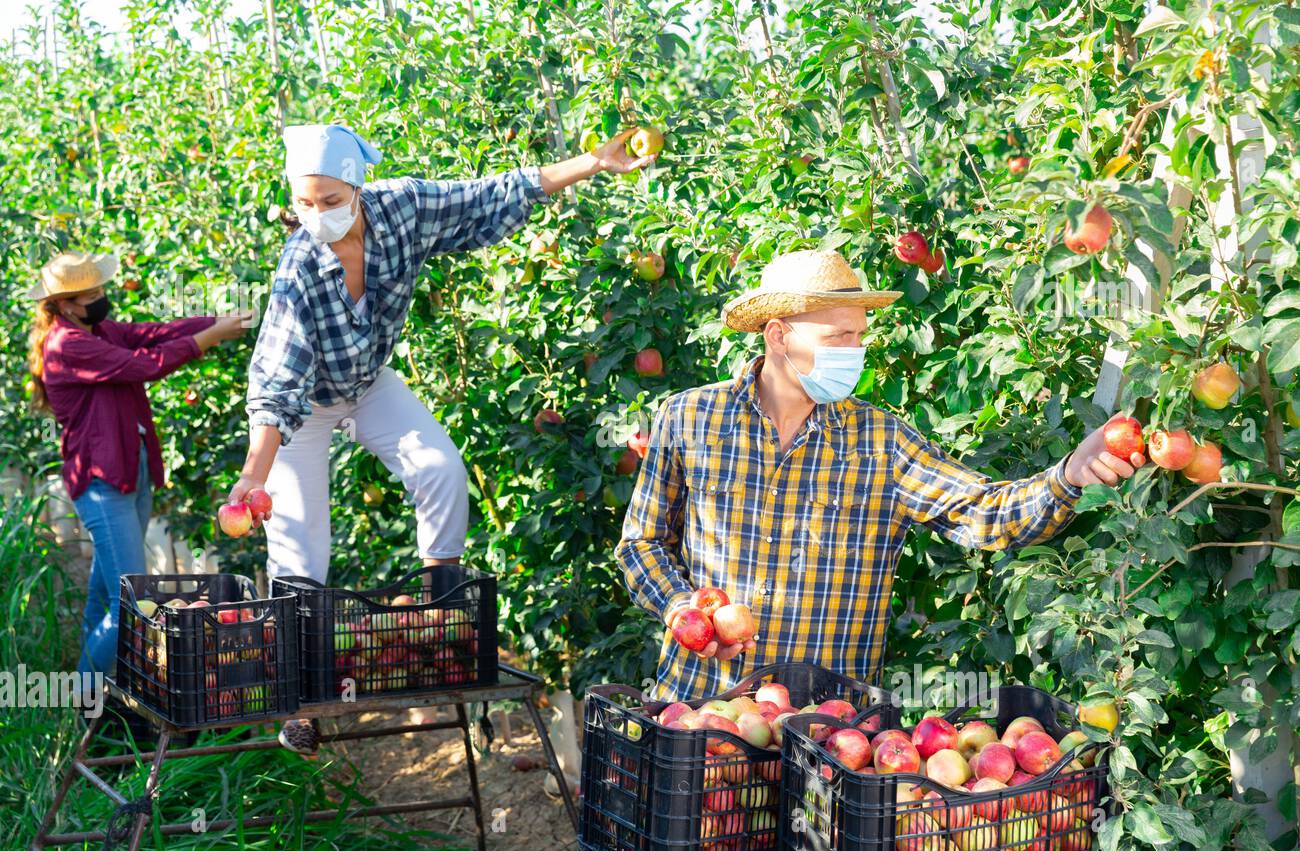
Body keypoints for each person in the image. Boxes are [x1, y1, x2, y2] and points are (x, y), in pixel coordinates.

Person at [233, 124, 656, 754]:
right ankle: (297, 699)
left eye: (328, 200)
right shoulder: (300, 269)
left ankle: (437, 618)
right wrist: (253, 475)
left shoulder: (402, 207)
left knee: (440, 468)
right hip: (306, 405)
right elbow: (279, 380)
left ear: (357, 187)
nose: (316, 214)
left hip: (370, 382)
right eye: (303, 203)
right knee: (298, 547)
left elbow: (494, 194)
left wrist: (591, 163)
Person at [615, 249, 1146, 702]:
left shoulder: (880, 442)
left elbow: (983, 514)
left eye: (860, 335)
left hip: (823, 727)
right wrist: (681, 607)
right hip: (700, 701)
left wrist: (1069, 474)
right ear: (778, 336)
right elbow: (642, 541)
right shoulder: (688, 418)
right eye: (839, 336)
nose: (855, 351)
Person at [28, 252, 246, 682]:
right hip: (101, 483)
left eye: (100, 290)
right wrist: (210, 336)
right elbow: (144, 365)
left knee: (103, 593)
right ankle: (81, 697)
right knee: (129, 605)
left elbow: (151, 334)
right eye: (90, 295)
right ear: (64, 304)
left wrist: (213, 322)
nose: (100, 298)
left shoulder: (99, 329)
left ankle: (98, 698)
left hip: (131, 471)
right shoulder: (67, 345)